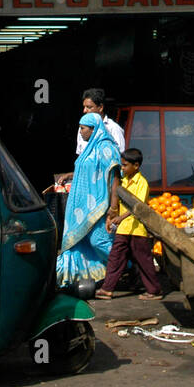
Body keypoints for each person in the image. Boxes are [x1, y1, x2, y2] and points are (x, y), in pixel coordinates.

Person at [57, 112, 122, 287]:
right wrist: (70, 174)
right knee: (81, 242)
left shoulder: (106, 148)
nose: (80, 132)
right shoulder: (89, 148)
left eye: (83, 128)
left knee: (98, 240)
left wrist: (113, 207)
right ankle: (97, 276)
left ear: (94, 130)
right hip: (80, 208)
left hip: (98, 206)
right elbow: (86, 170)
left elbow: (115, 178)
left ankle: (127, 267)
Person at [97, 148, 162, 300]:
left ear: (136, 165)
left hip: (137, 228)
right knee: (116, 258)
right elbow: (116, 202)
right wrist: (111, 217)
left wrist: (120, 218)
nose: (123, 168)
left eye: (125, 165)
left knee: (144, 260)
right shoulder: (123, 181)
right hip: (124, 229)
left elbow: (138, 206)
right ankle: (107, 289)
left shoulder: (142, 183)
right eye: (122, 165)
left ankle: (154, 291)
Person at [75, 88, 125, 156]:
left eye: (89, 107)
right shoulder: (82, 128)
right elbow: (80, 154)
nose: (84, 111)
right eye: (84, 107)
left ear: (101, 107)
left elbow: (120, 155)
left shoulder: (113, 128)